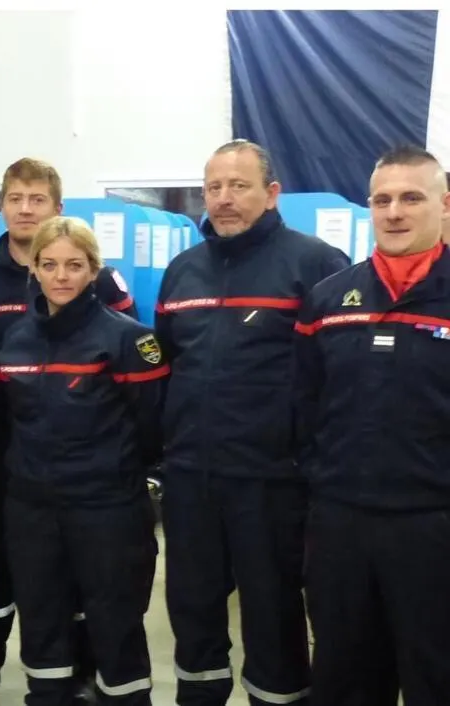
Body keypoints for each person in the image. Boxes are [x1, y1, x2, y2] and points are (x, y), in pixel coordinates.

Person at [154, 139, 350, 706]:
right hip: (191, 478)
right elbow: (168, 364)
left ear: (271, 194)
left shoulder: (315, 263)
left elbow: (336, 375)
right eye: (213, 187)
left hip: (273, 481)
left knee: (274, 614)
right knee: (192, 610)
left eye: (238, 186)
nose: (223, 198)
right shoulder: (181, 271)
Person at [0, 157, 136, 703]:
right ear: (2, 206)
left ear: (58, 208)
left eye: (38, 200)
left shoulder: (101, 280)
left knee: (77, 573)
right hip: (0, 455)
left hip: (82, 458)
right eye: (16, 199)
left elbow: (135, 383)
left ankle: (79, 669)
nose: (26, 209)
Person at [294, 145, 450, 706]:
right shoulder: (329, 300)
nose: (395, 212)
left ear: (445, 205)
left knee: (436, 672)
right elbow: (305, 406)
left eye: (412, 197)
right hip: (341, 526)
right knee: (343, 672)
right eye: (382, 200)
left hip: (433, 528)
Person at [0, 216, 166, 706]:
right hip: (31, 507)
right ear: (35, 268)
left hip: (107, 507)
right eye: (49, 265)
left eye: (74, 265)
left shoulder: (129, 340)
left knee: (115, 618)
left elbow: (152, 426)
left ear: (94, 270)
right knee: (42, 617)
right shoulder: (16, 339)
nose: (61, 276)